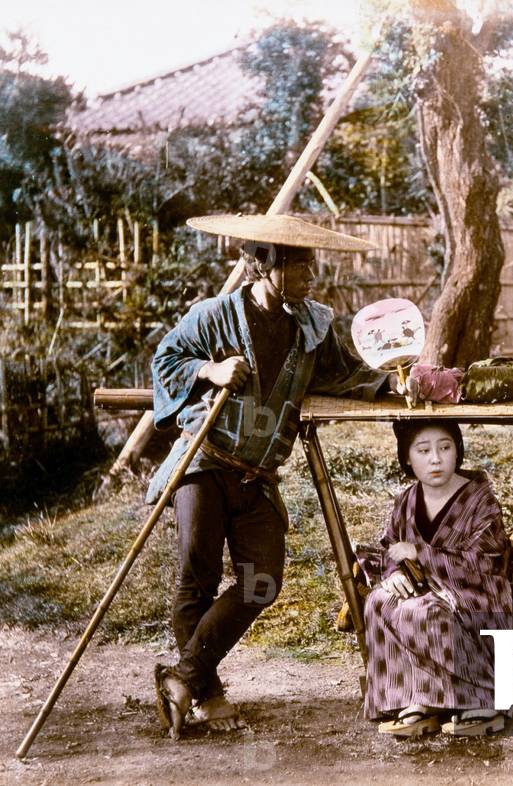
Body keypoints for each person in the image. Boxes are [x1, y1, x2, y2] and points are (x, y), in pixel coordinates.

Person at [148, 213, 415, 737]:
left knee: (263, 580)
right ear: (264, 264)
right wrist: (209, 370)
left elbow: (343, 374)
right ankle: (206, 694)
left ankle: (182, 679)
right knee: (198, 574)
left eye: (311, 264)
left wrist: (391, 385)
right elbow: (165, 360)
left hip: (257, 476)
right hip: (205, 462)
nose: (311, 274)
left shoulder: (311, 326)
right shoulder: (214, 316)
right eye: (300, 265)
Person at [363, 420, 513, 737]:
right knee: (379, 601)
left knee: (423, 610)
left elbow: (486, 562)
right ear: (407, 458)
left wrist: (420, 553)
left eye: (445, 447)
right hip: (424, 588)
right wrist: (393, 573)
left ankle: (483, 698)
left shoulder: (480, 500)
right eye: (423, 450)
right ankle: (416, 697)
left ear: (457, 451)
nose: (435, 459)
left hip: (474, 593)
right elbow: (389, 547)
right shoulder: (406, 500)